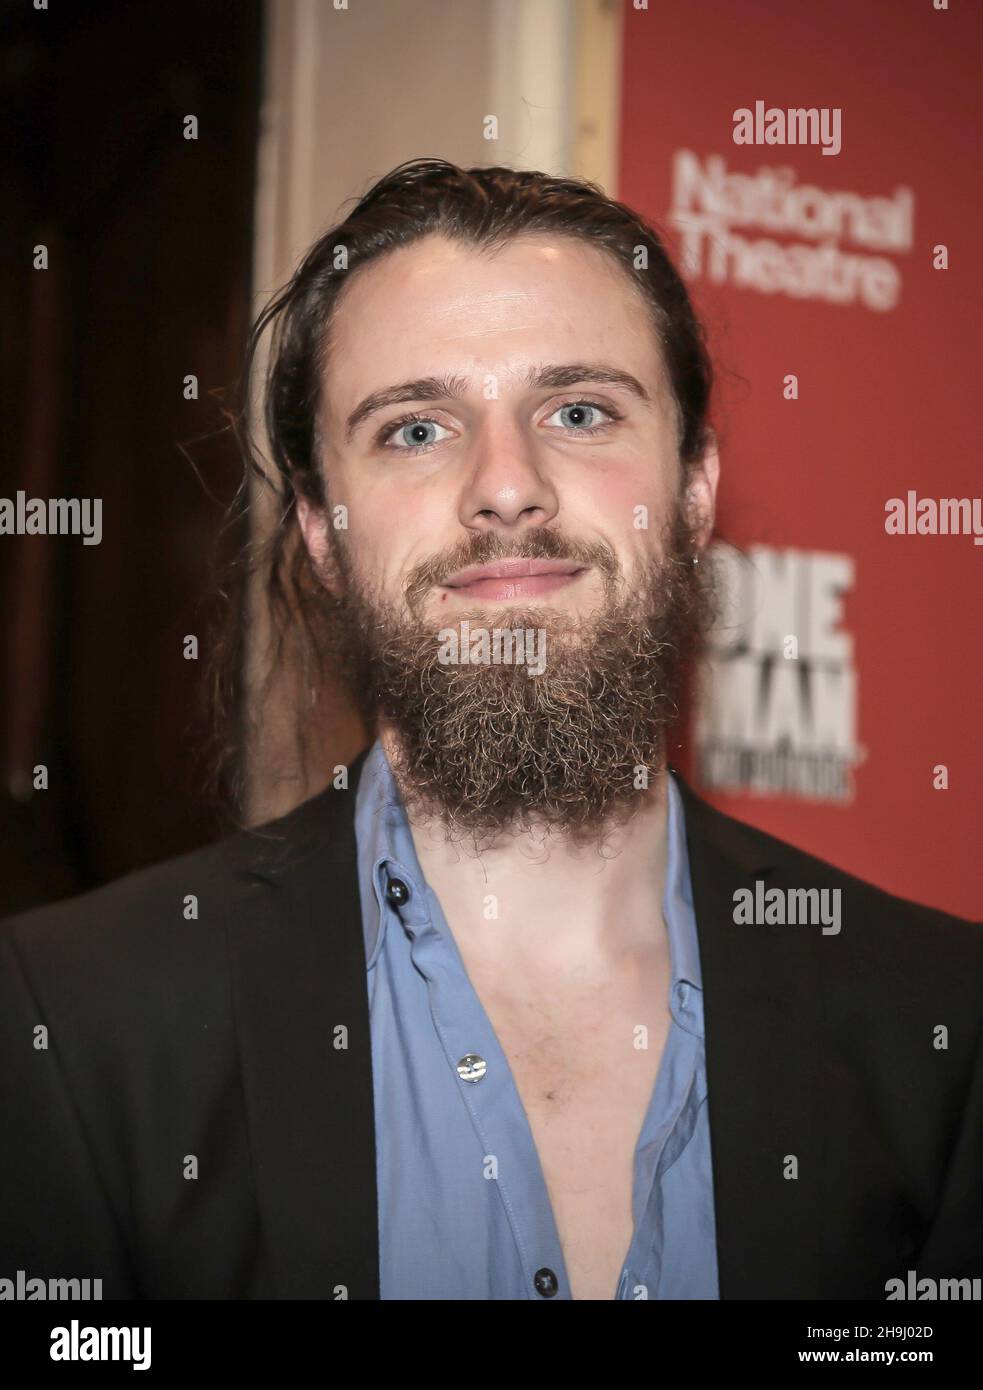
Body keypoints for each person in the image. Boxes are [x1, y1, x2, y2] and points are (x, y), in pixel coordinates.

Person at [2, 160, 981, 1301]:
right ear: (321, 530)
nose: (505, 486)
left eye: (578, 411)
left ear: (694, 488)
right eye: (416, 429)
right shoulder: (74, 1025)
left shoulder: (941, 1029)